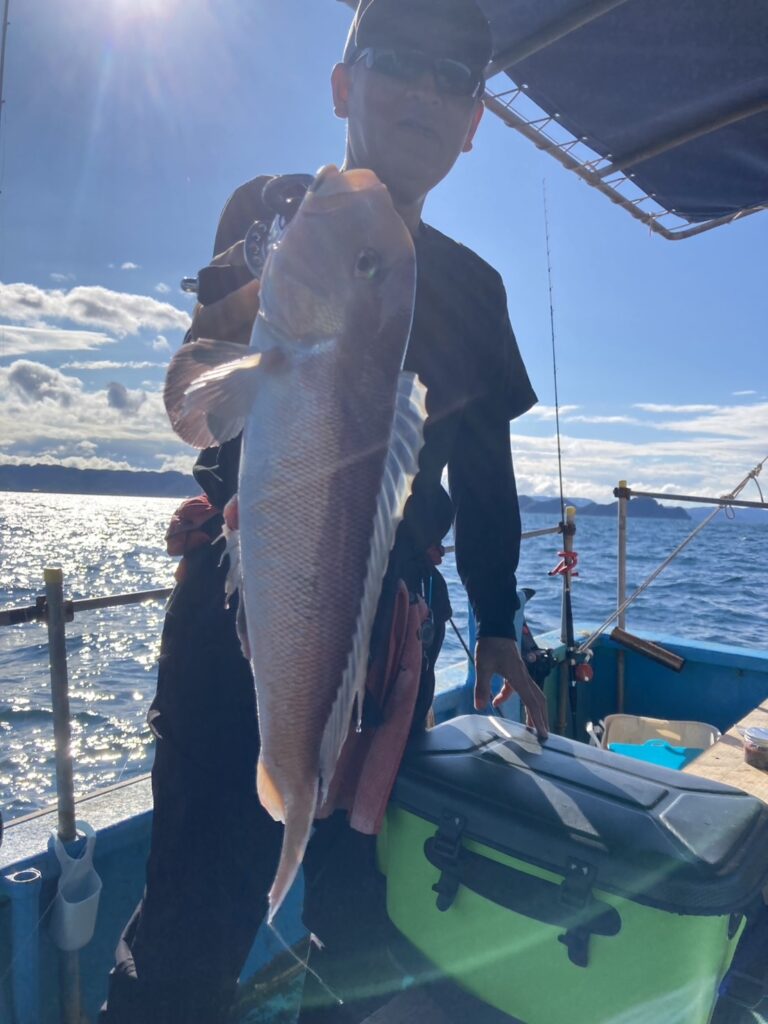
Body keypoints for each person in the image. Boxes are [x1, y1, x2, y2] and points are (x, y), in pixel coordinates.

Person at [100, 1, 547, 1021]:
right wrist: (241, 368)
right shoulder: (268, 211)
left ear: (477, 119)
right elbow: (188, 389)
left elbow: (486, 479)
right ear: (342, 83)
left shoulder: (476, 289)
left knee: (353, 911)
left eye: (457, 77)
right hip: (235, 602)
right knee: (185, 926)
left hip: (391, 633)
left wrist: (496, 627)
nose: (429, 91)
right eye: (400, 62)